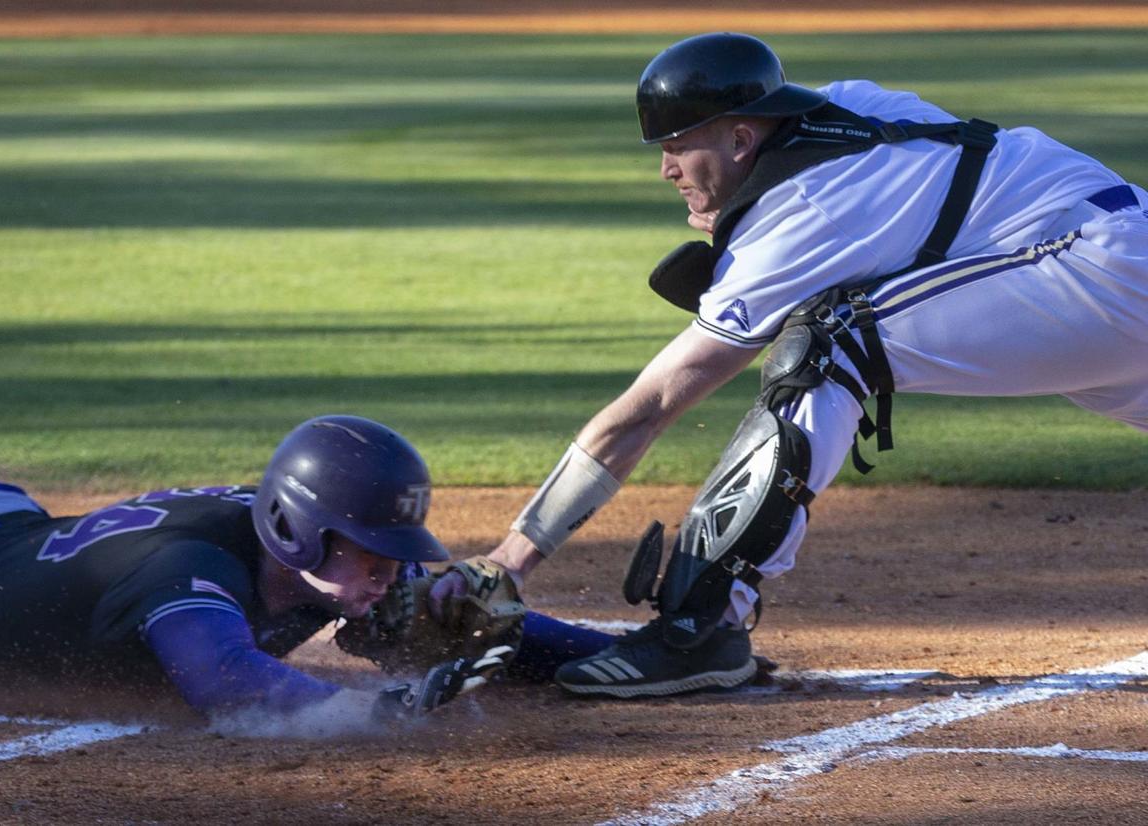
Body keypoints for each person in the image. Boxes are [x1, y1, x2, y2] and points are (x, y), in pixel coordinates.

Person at [433, 32, 1148, 698]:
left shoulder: (799, 220)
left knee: (833, 338)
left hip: (1093, 274)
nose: (666, 169)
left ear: (743, 137)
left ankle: (702, 627)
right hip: (1109, 256)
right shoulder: (848, 103)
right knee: (845, 322)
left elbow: (651, 406)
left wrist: (512, 557)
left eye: (681, 146)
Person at [0, 415, 522, 727]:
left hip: (6, 532)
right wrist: (380, 708)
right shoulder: (188, 570)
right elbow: (226, 682)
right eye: (373, 552)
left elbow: (483, 626)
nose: (391, 574)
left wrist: (592, 651)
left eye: (397, 553)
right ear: (299, 533)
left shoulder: (309, 541)